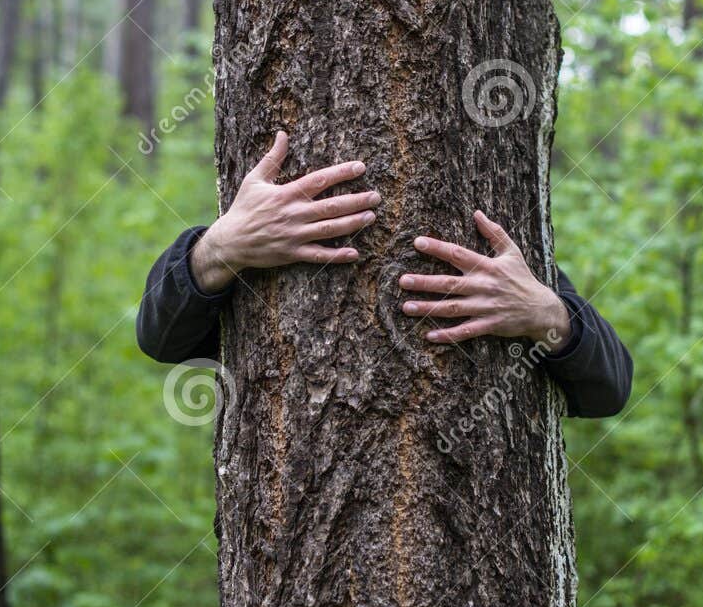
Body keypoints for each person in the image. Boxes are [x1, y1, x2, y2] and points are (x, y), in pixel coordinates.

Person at [136, 131, 633, 417]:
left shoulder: (505, 265)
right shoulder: (251, 242)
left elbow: (610, 387)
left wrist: (548, 314)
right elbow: (159, 336)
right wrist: (220, 247)